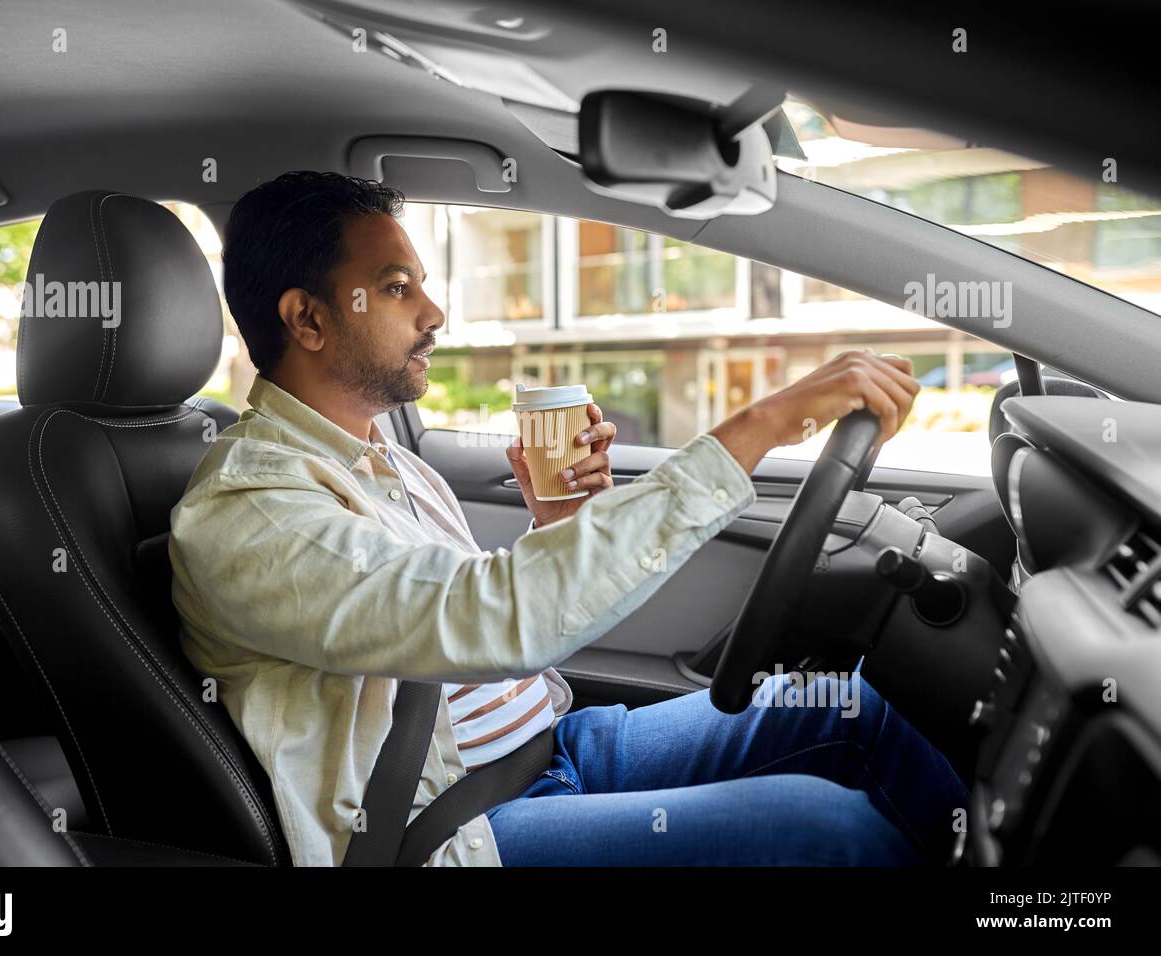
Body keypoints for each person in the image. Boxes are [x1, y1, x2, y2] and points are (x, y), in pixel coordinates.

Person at [167, 171, 969, 867]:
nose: (434, 313)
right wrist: (758, 427)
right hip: (453, 833)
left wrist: (554, 523)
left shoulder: (383, 460)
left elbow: (459, 628)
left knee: (843, 703)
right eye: (397, 287)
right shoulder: (248, 510)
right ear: (308, 318)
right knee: (824, 834)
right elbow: (487, 619)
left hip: (557, 748)